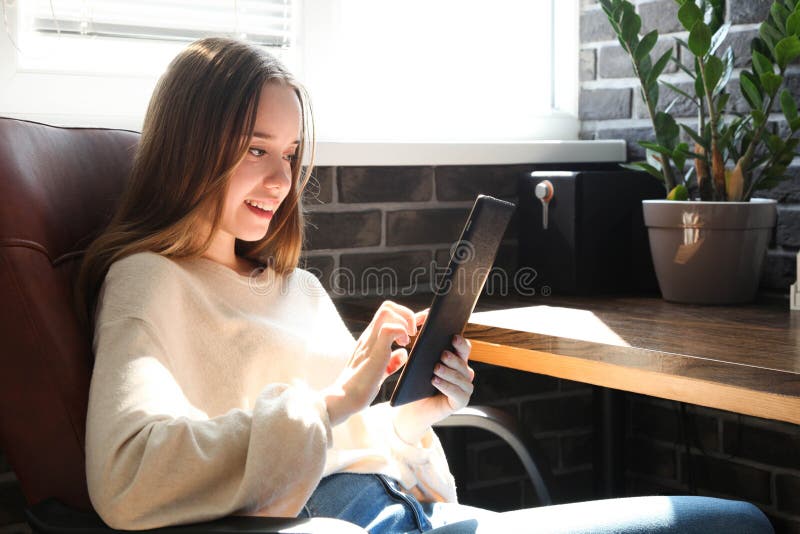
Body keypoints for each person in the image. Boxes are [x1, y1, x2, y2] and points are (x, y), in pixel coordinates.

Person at [74, 37, 774, 533]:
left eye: (290, 153)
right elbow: (128, 475)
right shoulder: (149, 282)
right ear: (191, 148)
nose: (282, 180)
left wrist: (411, 416)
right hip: (355, 523)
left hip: (410, 512)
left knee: (736, 522)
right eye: (257, 149)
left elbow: (345, 440)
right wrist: (337, 398)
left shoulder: (297, 290)